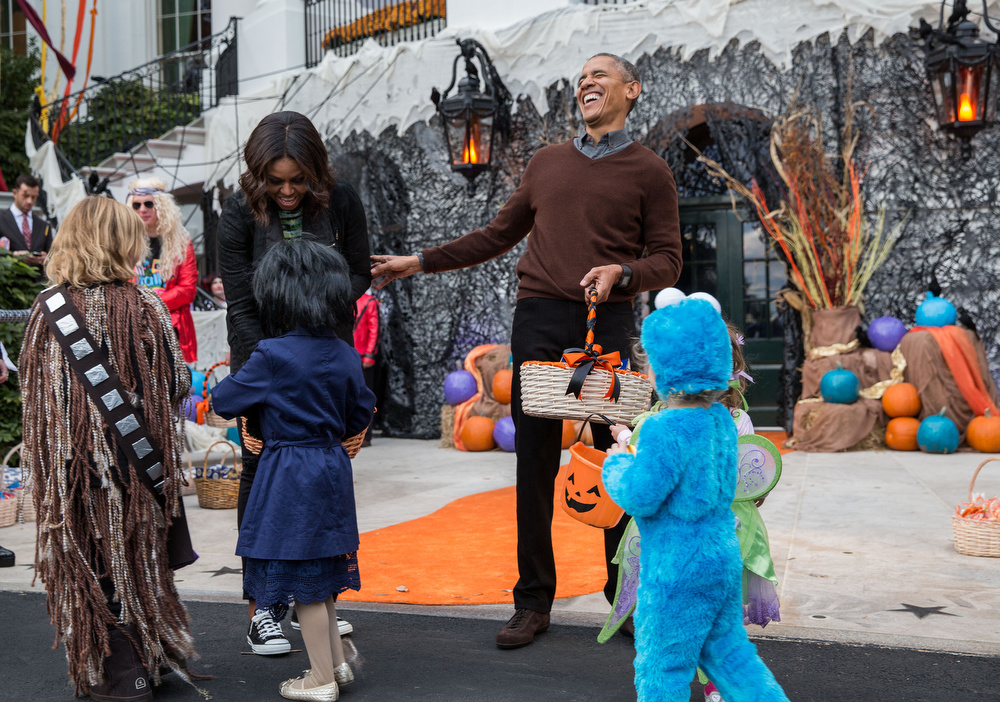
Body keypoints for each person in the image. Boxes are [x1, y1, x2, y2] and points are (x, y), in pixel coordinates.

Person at [370, 53, 682, 648]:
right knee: (533, 463)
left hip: (606, 324)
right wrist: (420, 261)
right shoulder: (546, 163)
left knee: (614, 464)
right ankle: (533, 601)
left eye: (599, 75)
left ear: (631, 90)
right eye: (580, 77)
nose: (585, 83)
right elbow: (496, 234)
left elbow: (668, 260)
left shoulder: (650, 171)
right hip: (539, 317)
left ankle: (627, 599)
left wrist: (621, 271)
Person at [19, 196, 198, 701]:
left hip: (75, 469)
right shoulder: (146, 307)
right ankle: (149, 656)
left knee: (96, 566)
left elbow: (35, 396)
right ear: (126, 244)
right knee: (138, 559)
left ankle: (121, 672)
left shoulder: (46, 311)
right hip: (137, 463)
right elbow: (179, 383)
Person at [218, 110, 372, 654]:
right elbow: (240, 305)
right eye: (275, 182)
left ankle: (319, 599)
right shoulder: (237, 213)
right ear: (257, 175)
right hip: (264, 361)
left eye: (297, 181)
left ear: (316, 172)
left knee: (323, 483)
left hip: (327, 353)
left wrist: (318, 312)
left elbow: (359, 272)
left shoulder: (343, 199)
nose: (287, 191)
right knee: (261, 478)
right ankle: (263, 609)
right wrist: (251, 399)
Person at [601, 297, 788, 702]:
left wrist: (615, 466)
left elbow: (641, 496)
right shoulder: (723, 421)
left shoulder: (661, 430)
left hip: (675, 568)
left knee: (662, 666)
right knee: (732, 656)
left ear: (656, 371)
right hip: (720, 557)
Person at [212, 239, 375, 702]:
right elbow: (361, 410)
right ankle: (337, 665)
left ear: (278, 295)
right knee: (321, 570)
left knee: (303, 579)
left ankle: (320, 678)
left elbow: (225, 401)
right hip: (331, 463)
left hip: (287, 470)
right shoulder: (344, 353)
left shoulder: (271, 354)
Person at [127, 177, 199, 364]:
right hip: (136, 324)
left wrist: (153, 301)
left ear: (161, 206)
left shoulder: (181, 244)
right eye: (136, 205)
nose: (142, 210)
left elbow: (188, 289)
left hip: (171, 326)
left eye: (148, 204)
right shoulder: (126, 244)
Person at [0, 174, 55, 276]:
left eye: (34, 197)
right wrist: (14, 255)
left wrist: (46, 258)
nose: (30, 201)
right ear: (15, 193)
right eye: (25, 196)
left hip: (37, 285)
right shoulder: (1, 219)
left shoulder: (44, 225)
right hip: (9, 283)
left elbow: (52, 255)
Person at [353, 288, 380, 446]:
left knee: (366, 396)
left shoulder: (369, 302)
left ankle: (366, 434)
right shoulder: (347, 301)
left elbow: (374, 329)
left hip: (362, 356)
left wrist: (370, 354)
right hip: (352, 353)